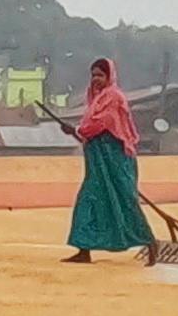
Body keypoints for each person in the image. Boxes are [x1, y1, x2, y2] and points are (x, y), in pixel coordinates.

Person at [59, 56, 152, 262]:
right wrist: (74, 131)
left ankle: (149, 242)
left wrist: (75, 129)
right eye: (93, 75)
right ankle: (84, 249)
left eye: (100, 75)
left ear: (109, 76)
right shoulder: (95, 100)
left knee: (125, 202)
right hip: (97, 165)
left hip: (115, 161)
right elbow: (89, 132)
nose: (96, 79)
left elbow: (103, 123)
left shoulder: (114, 97)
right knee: (88, 201)